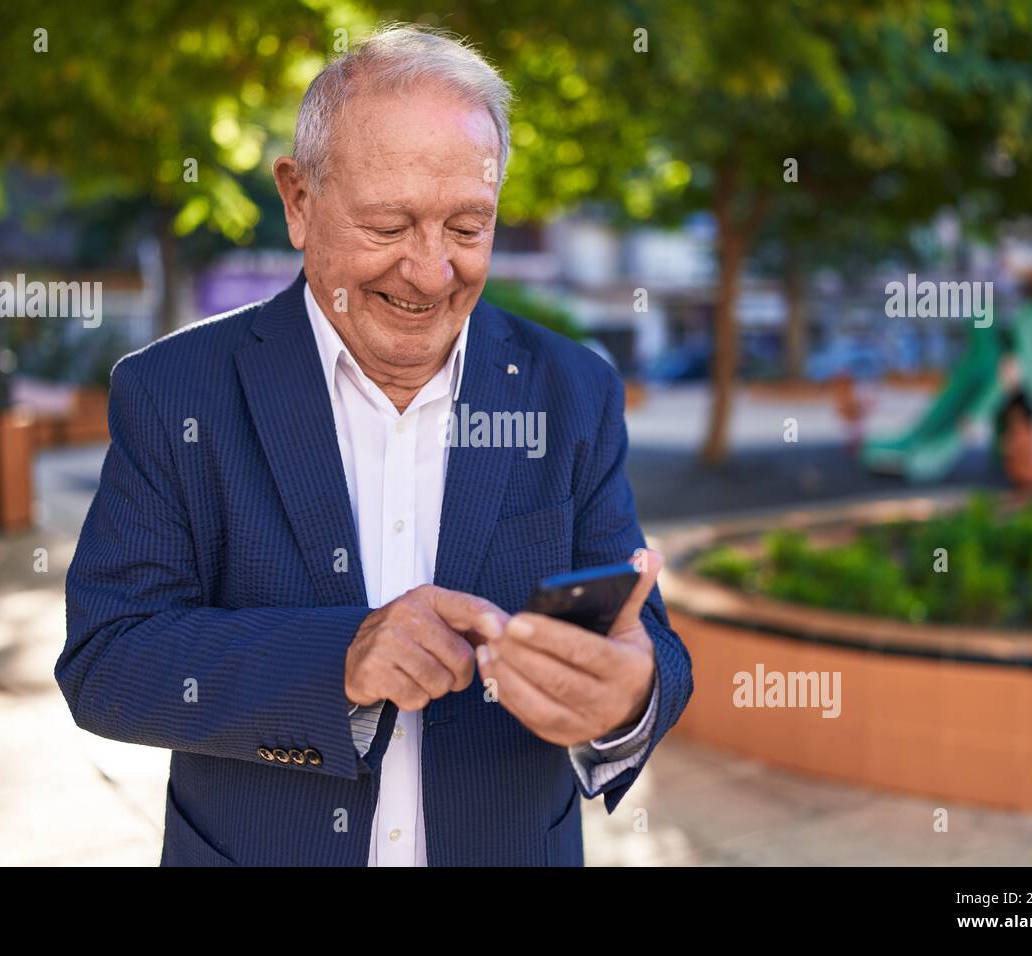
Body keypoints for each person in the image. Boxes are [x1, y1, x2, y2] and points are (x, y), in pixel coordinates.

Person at [55, 25, 692, 867]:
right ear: (298, 199)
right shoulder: (177, 391)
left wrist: (629, 697)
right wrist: (340, 661)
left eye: (468, 227)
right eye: (389, 225)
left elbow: (646, 644)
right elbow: (108, 659)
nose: (431, 273)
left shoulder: (573, 389)